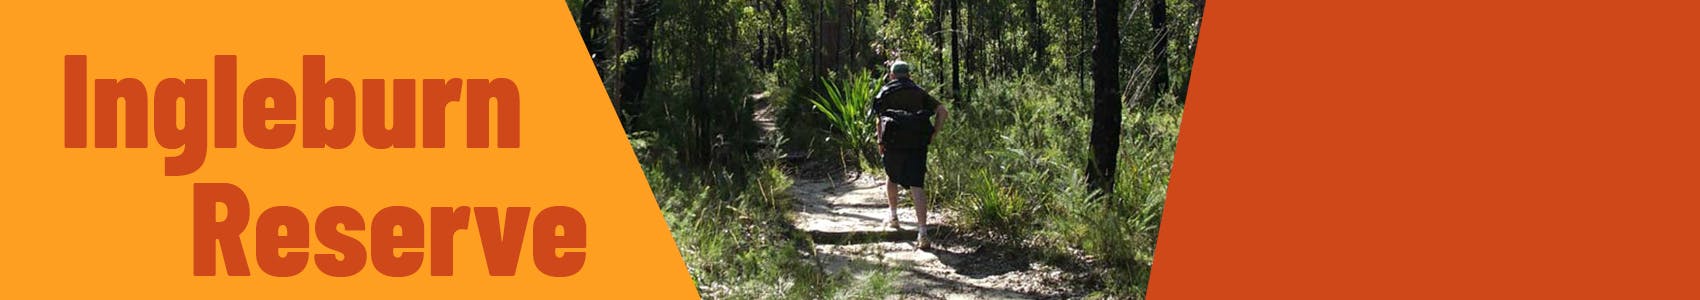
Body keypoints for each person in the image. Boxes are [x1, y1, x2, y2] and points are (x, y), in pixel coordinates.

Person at [871, 60, 947, 249]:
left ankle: (894, 217)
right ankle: (922, 232)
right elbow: (942, 111)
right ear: (909, 75)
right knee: (917, 185)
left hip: (893, 143)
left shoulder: (886, 92)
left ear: (892, 75)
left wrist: (880, 141)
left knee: (892, 177)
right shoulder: (919, 92)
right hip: (917, 145)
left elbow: (879, 119)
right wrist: (933, 134)